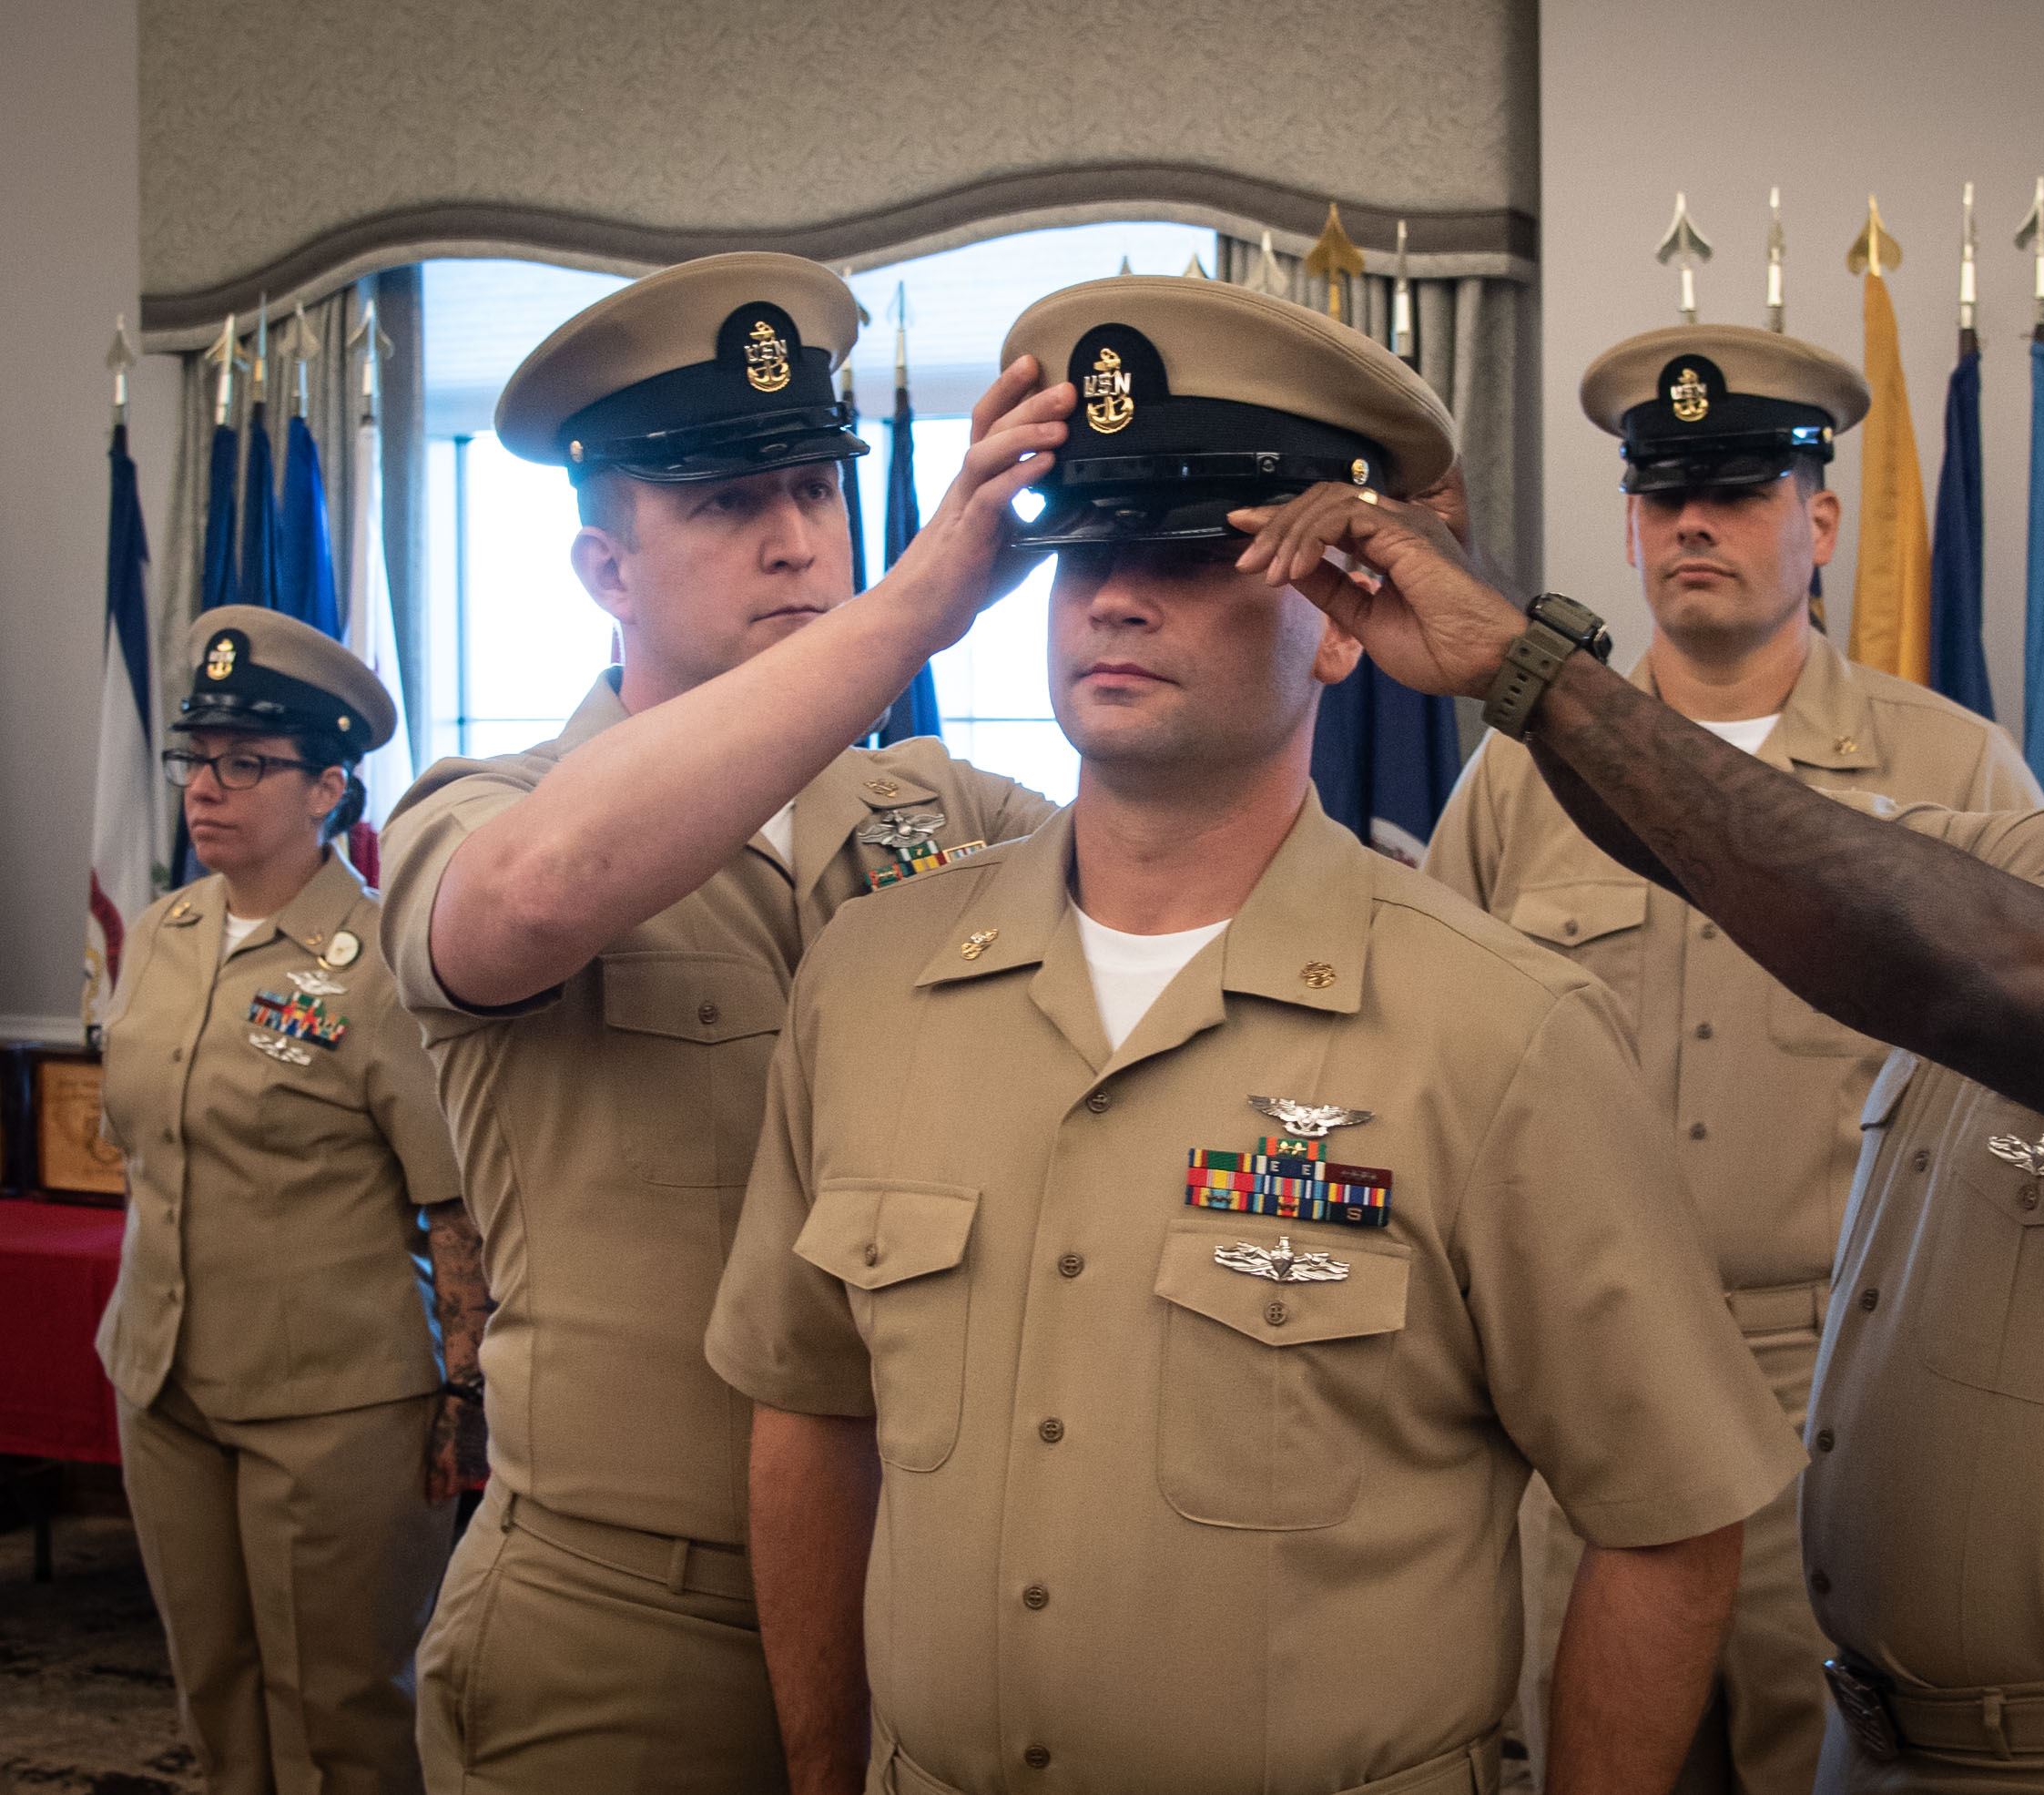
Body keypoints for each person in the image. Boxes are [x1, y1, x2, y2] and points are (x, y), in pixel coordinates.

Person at [1234, 368, 2044, 1790]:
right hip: (1890, 1739)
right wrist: (1506, 641)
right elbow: (1716, 828)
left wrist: (1533, 667)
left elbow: (1963, 965)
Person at [705, 276, 1803, 1795]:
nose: (1115, 593)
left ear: (1344, 622)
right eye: (1082, 542)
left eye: (1193, 543)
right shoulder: (870, 984)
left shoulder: (1497, 1030)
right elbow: (807, 1419)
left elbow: (1671, 1521)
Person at [378, 252, 1067, 1792]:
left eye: (819, 493)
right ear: (607, 572)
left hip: (936, 1591)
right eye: (727, 503)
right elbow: (540, 898)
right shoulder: (483, 811)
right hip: (629, 1620)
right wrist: (906, 616)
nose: (794, 541)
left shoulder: (941, 810)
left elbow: (1177, 872)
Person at [1426, 322, 2039, 1791]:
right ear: (1630, 525)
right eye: (1663, 494)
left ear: (1819, 522)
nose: (1693, 523)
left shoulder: (1954, 773)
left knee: (1829, 1762)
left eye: (1741, 490)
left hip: (1836, 1394)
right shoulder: (1520, 774)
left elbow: (2034, 1102)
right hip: (1584, 1389)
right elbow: (1431, 1068)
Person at [96, 606, 485, 1795]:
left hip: (336, 1405)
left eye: (245, 764)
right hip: (164, 1379)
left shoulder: (379, 967)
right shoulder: (159, 937)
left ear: (328, 790)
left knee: (337, 1710)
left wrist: (461, 1389)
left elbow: (455, 1206)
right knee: (212, 1681)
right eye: (194, 759)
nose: (205, 788)